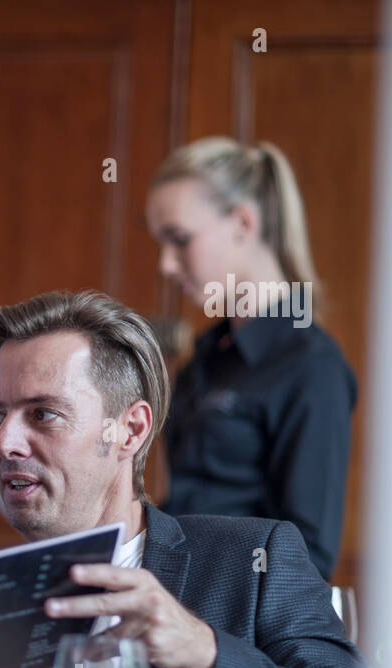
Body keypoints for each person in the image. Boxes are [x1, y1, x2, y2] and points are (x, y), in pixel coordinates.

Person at [0, 289, 373, 668]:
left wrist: (202, 651)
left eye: (43, 414)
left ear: (130, 431)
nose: (5, 442)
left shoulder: (250, 561)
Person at [146, 137, 356, 579]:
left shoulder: (312, 365)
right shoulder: (206, 358)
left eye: (179, 239)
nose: (166, 264)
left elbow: (308, 560)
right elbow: (198, 508)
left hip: (236, 633)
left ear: (243, 223)